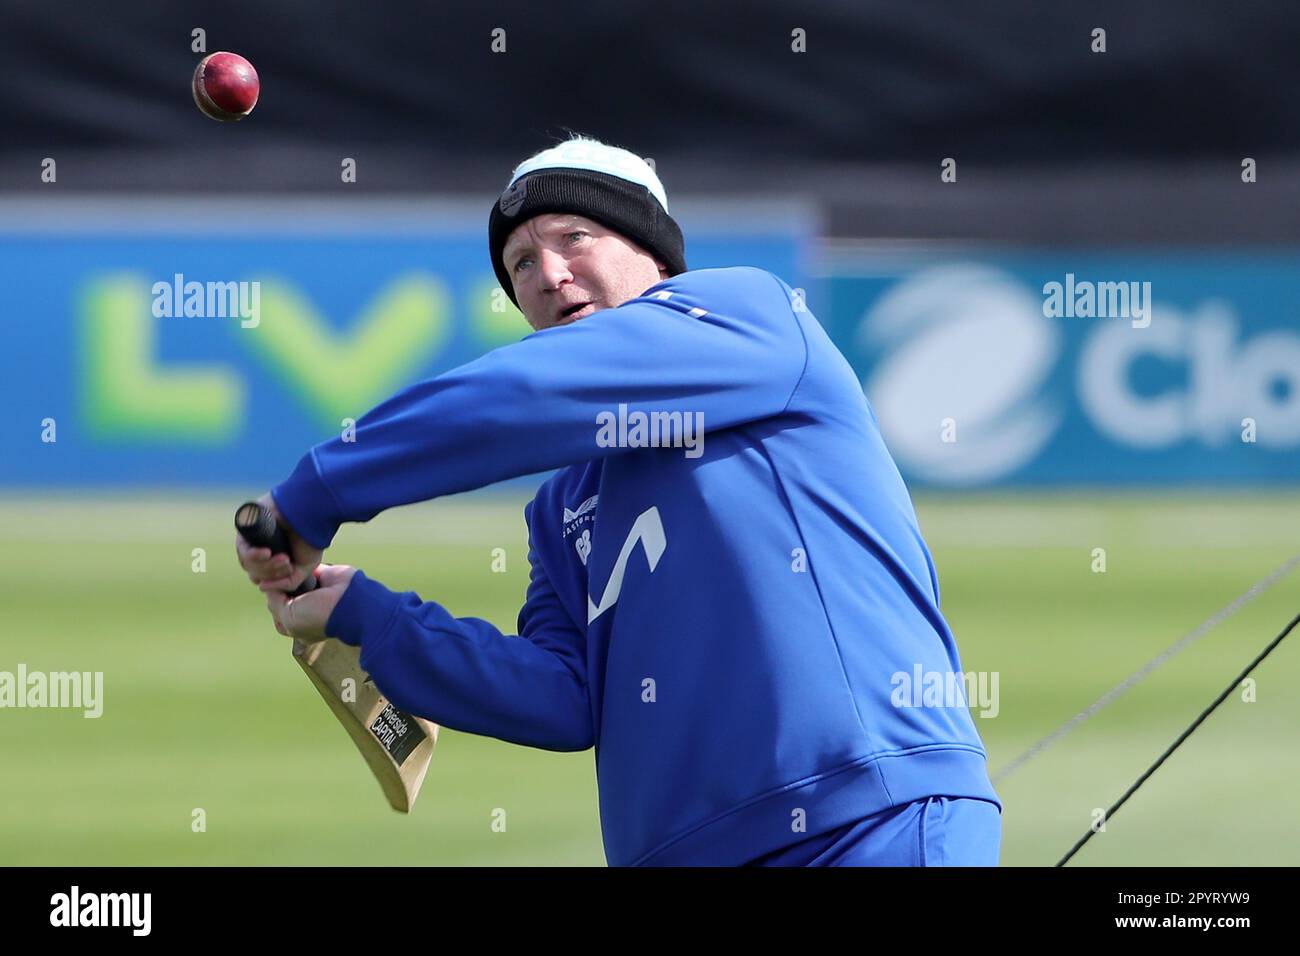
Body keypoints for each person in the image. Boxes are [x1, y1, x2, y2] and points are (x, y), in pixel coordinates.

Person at [236, 134, 1002, 866]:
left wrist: (316, 493)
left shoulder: (749, 314)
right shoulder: (561, 502)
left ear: (654, 253)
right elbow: (564, 700)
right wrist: (366, 616)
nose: (548, 272)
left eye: (575, 237)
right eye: (521, 263)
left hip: (864, 819)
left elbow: (524, 393)